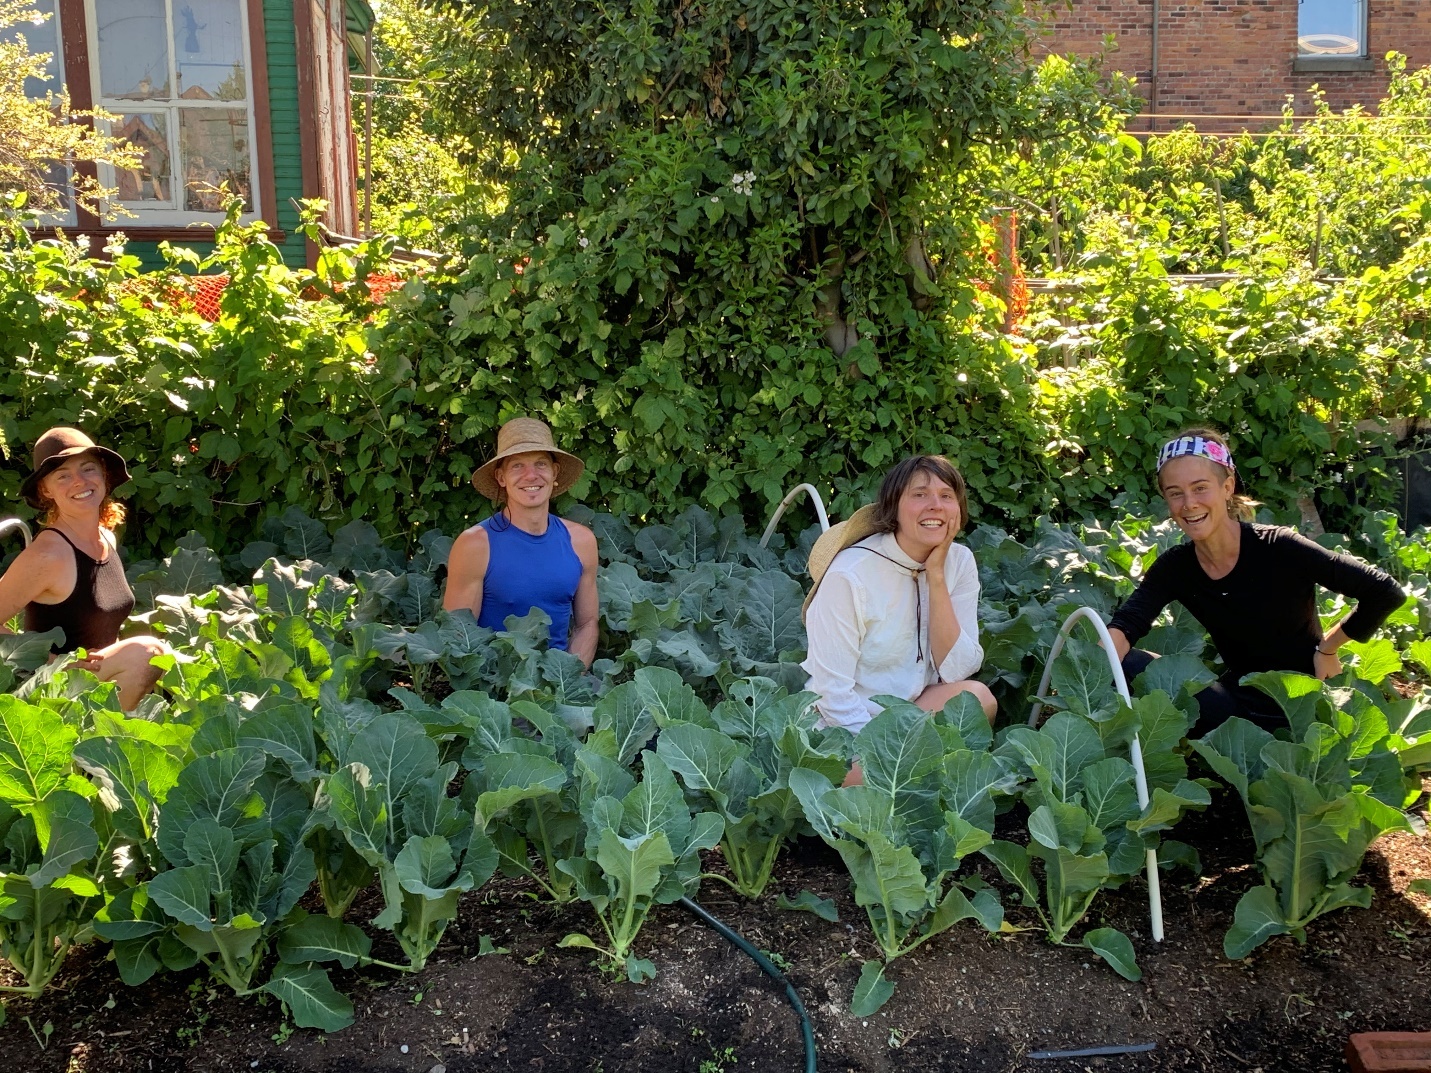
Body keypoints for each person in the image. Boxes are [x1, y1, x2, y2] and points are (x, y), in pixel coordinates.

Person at [1107, 428, 1405, 736]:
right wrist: (1101, 657)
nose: (1189, 503)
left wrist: (1327, 649)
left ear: (1227, 487)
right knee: (1126, 662)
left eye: (1200, 488)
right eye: (1175, 493)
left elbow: (1384, 591)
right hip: (1233, 709)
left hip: (1302, 711)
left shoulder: (1278, 547)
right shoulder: (1176, 567)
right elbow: (1129, 622)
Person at [802, 456, 996, 783]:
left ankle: (918, 781)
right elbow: (831, 694)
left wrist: (935, 576)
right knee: (877, 780)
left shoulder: (959, 562)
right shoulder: (850, 575)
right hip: (840, 726)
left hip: (909, 710)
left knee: (977, 700)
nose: (935, 505)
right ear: (894, 509)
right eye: (919, 494)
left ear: (959, 511)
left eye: (947, 496)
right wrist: (889, 752)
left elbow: (957, 670)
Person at [0, 427, 165, 711]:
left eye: (88, 469)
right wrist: (57, 661)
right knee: (148, 653)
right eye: (63, 475)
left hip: (94, 682)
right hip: (53, 692)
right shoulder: (49, 554)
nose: (79, 481)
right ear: (46, 490)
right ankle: (100, 741)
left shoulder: (106, 537)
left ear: (103, 475)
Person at [443, 417, 599, 667]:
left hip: (558, 686)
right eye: (517, 466)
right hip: (493, 690)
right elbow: (458, 638)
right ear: (501, 477)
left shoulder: (581, 541)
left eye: (541, 464)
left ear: (554, 472)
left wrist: (565, 681)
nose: (531, 475)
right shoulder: (475, 545)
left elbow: (587, 624)